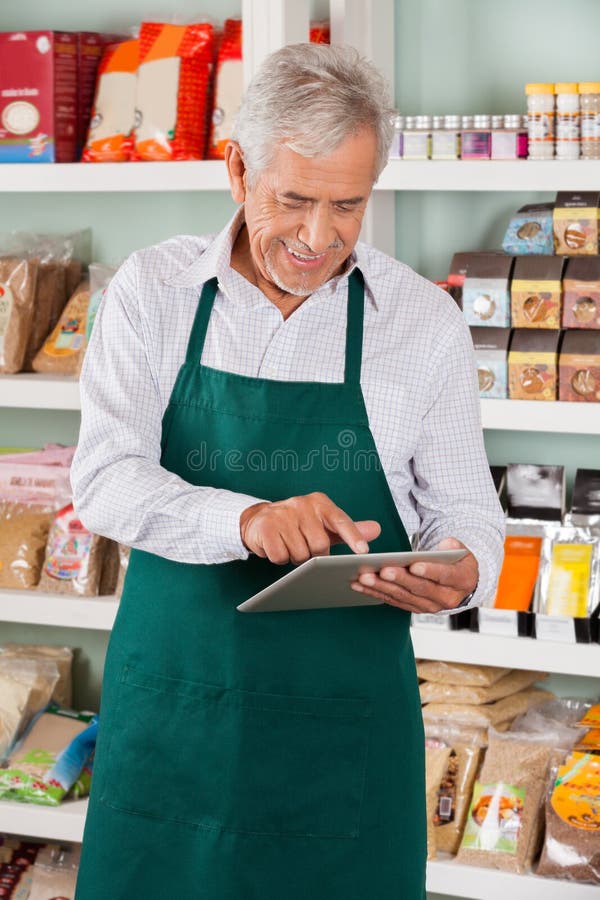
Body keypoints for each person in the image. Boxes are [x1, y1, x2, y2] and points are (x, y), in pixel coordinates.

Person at [72, 42, 504, 900]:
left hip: (340, 740)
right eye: (294, 200)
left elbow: (467, 506)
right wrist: (246, 520)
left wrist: (462, 567)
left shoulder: (419, 321)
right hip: (175, 718)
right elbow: (106, 477)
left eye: (347, 205)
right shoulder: (152, 293)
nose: (318, 237)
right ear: (237, 170)